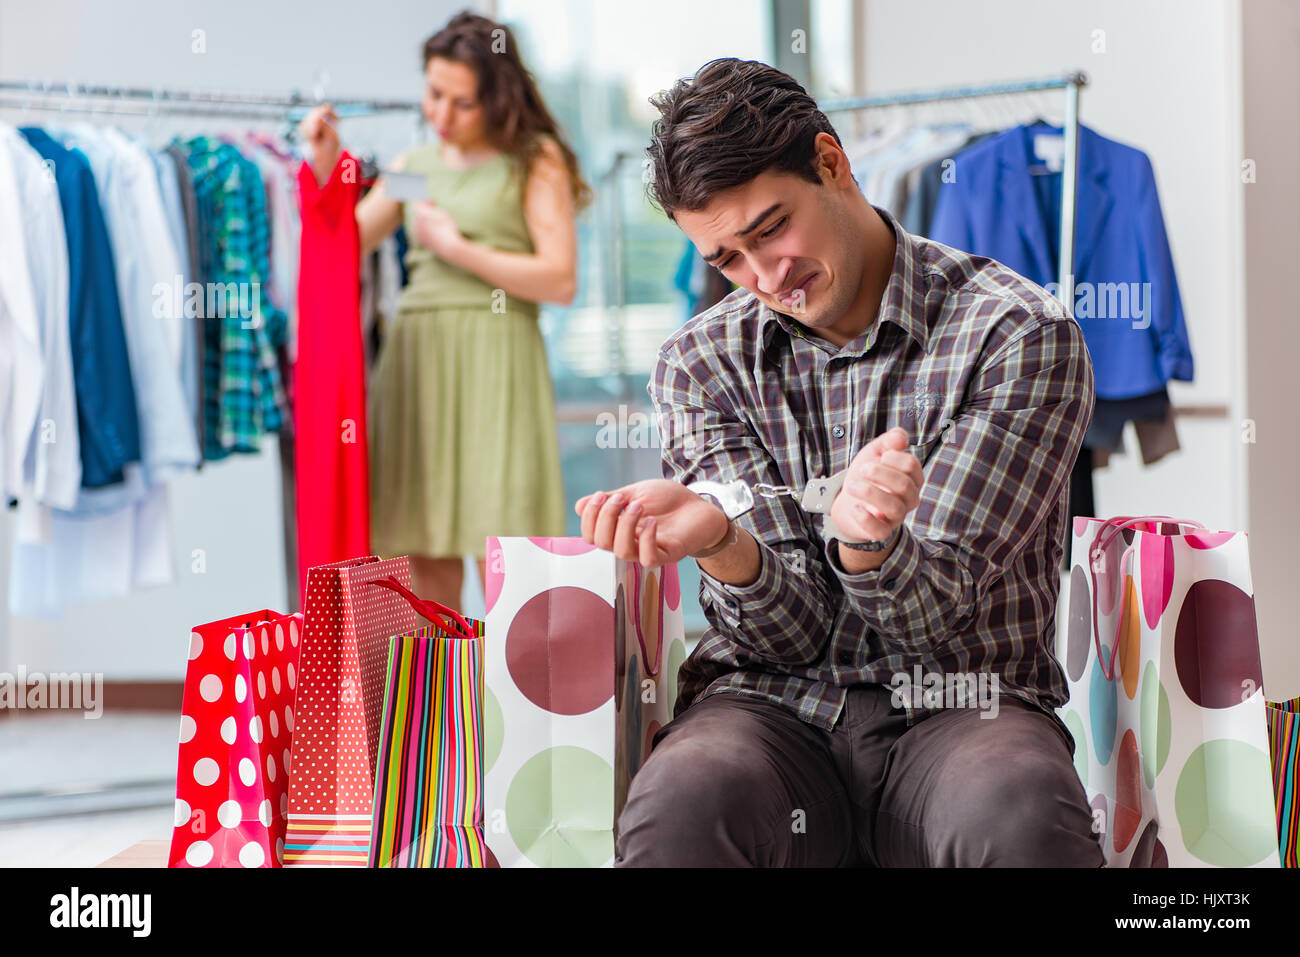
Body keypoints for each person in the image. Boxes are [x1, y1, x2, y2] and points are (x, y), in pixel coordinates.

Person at [576, 58, 1104, 867]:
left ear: (831, 162)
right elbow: (790, 633)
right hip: (770, 710)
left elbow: (932, 618)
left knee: (1020, 808)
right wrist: (725, 542)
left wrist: (868, 545)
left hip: (960, 703)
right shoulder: (700, 363)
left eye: (771, 229)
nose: (765, 277)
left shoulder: (1017, 335)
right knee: (678, 798)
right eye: (728, 260)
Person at [299, 10, 590, 606]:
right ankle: (444, 700)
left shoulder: (536, 159)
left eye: (463, 103)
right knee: (422, 543)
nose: (441, 116)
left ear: (498, 98)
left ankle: (513, 698)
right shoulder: (413, 168)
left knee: (508, 549)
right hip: (417, 360)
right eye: (434, 95)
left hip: (498, 355)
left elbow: (560, 280)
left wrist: (457, 248)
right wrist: (328, 167)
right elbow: (341, 243)